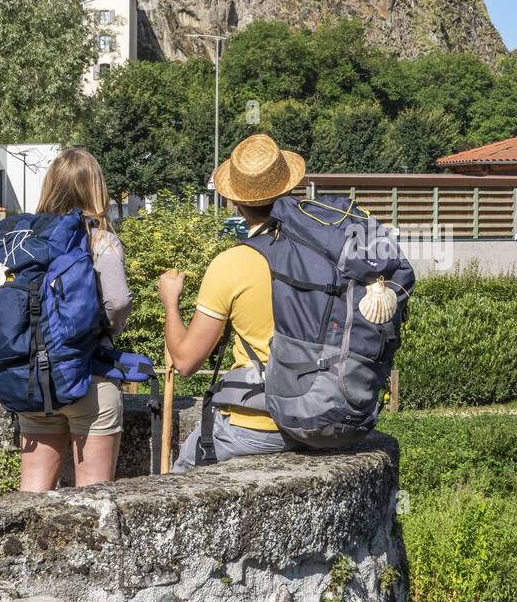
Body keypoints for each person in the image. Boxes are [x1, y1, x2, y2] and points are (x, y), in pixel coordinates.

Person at [156, 133, 305, 470]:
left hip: (259, 424)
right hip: (324, 413)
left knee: (183, 475)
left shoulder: (233, 263)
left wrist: (170, 301)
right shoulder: (323, 253)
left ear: (236, 202)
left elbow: (185, 361)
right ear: (289, 191)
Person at [19, 147, 132, 492]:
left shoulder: (25, 241)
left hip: (33, 380)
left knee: (32, 497)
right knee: (93, 501)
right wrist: (105, 328)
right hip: (88, 378)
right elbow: (117, 302)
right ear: (96, 190)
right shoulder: (101, 242)